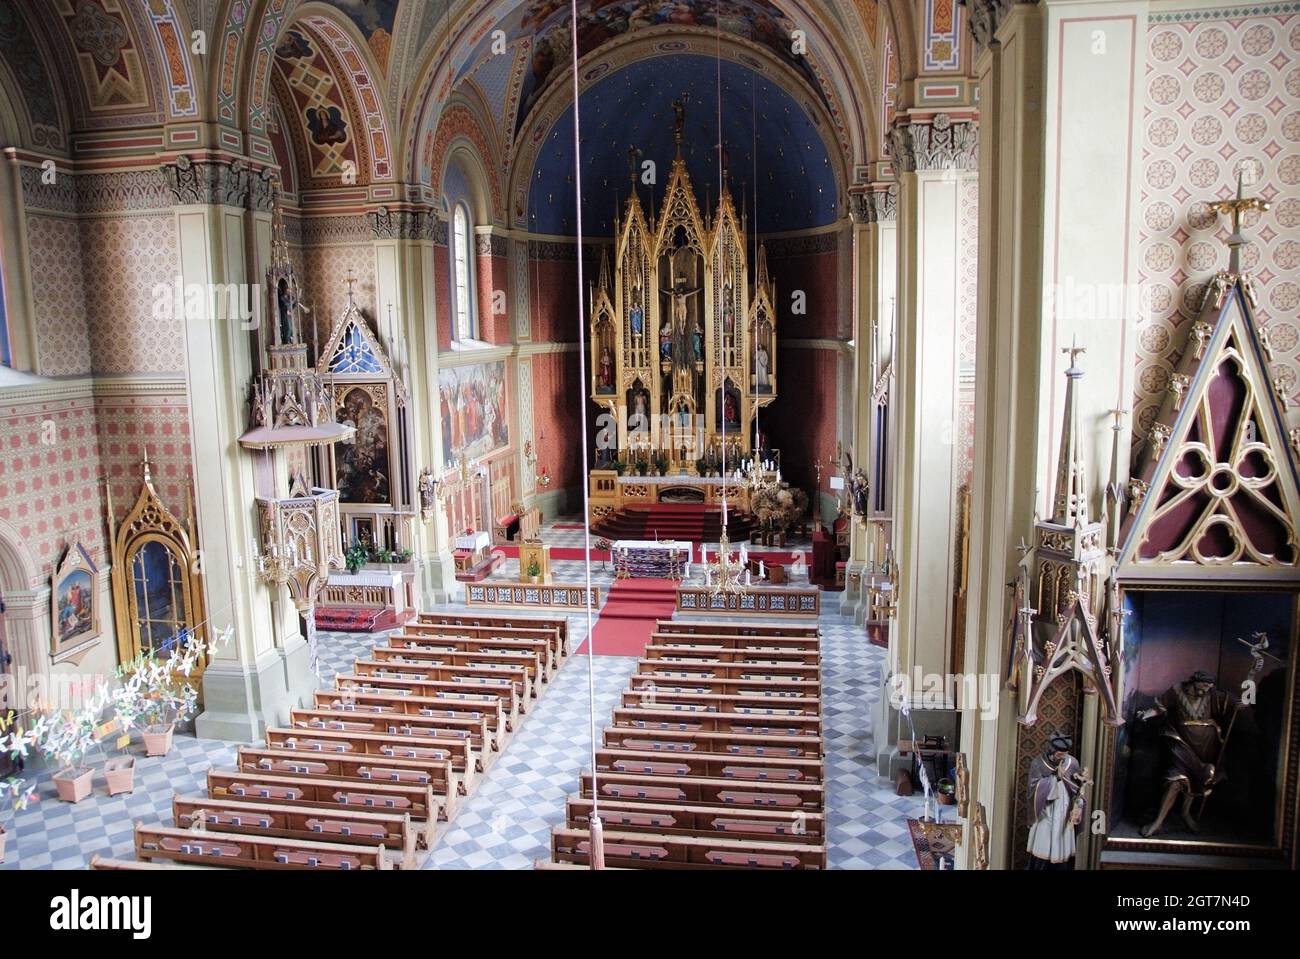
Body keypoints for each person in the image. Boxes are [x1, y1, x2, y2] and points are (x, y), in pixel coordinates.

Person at [1140, 670, 1239, 837]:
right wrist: (1147, 714)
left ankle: (1186, 814)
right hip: (1181, 744)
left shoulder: (1212, 694)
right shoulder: (1176, 691)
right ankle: (1158, 822)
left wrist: (1244, 699)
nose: (1206, 689)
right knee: (1175, 781)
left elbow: (1234, 703)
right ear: (1194, 681)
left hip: (1206, 746)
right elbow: (1160, 707)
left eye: (1209, 686)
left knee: (1195, 781)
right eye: (1204, 685)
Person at [1026, 734, 1088, 870]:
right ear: (1051, 751)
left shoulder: (1072, 763)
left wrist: (1078, 806)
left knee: (1062, 851)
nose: (1062, 758)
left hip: (1064, 813)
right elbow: (1033, 790)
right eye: (1059, 755)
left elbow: (1077, 788)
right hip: (1045, 813)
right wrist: (1055, 779)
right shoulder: (1038, 763)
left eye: (1064, 755)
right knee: (1042, 852)